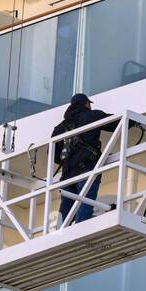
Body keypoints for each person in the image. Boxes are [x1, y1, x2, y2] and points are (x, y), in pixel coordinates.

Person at [51, 93, 116, 226]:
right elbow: (116, 122)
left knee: (66, 208)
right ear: (86, 104)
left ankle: (61, 232)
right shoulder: (92, 116)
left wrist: (69, 159)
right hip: (86, 170)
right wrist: (134, 121)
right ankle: (81, 226)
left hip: (67, 175)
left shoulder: (60, 128)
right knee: (86, 201)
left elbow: (53, 155)